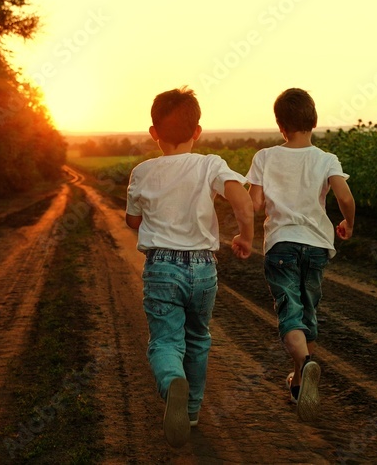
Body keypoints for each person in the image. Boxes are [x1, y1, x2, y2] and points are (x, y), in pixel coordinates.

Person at [125, 87, 254, 447]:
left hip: (162, 266)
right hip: (203, 268)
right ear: (198, 131)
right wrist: (245, 236)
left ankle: (172, 383)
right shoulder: (210, 164)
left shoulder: (142, 171)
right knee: (198, 338)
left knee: (166, 340)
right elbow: (242, 201)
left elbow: (132, 221)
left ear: (154, 133)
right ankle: (192, 410)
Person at [246, 88, 356, 422]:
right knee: (306, 310)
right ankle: (298, 382)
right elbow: (346, 198)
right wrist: (348, 223)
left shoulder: (265, 157)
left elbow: (254, 204)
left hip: (281, 244)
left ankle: (306, 366)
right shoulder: (326, 159)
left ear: (281, 125)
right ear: (314, 120)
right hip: (317, 246)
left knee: (289, 314)